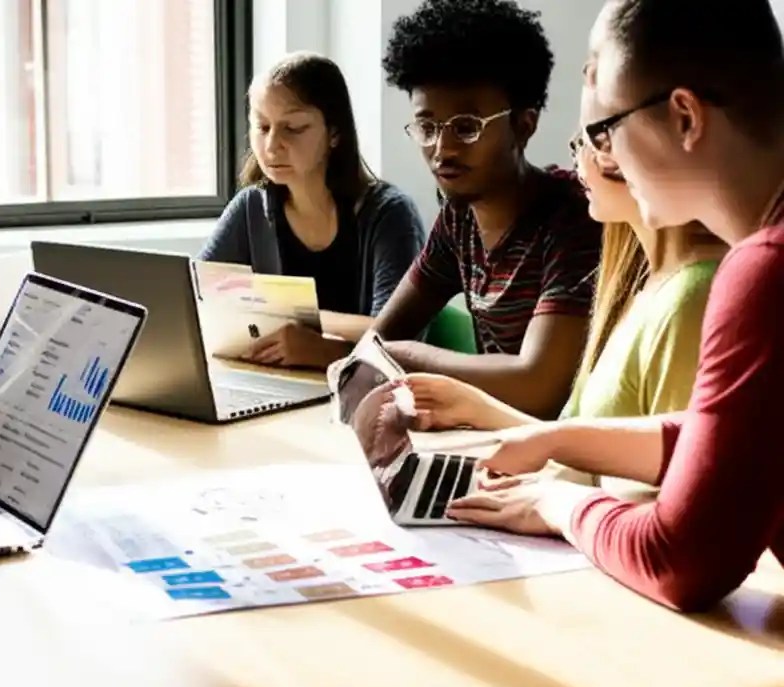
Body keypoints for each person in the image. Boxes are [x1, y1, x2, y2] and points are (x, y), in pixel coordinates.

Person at [448, 0, 784, 612]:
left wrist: (557, 502)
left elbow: (680, 561)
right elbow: (735, 438)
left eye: (603, 131)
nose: (602, 160)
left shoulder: (764, 270)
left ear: (685, 117)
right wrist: (559, 438)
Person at [406, 87, 725, 458]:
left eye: (596, 137)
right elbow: (583, 448)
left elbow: (666, 480)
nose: (579, 159)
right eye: (579, 141)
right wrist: (472, 407)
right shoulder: (641, 288)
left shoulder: (689, 297)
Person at [373, 0, 603, 419]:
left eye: (466, 127)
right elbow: (379, 339)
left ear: (524, 125)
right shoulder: (458, 220)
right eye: (427, 127)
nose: (442, 149)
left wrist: (409, 357)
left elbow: (539, 387)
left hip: (566, 450)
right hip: (491, 439)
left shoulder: (573, 218)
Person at [197, 51, 425, 370]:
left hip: (362, 391)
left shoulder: (390, 214)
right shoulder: (250, 208)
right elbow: (198, 302)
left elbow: (397, 335)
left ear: (335, 133)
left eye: (293, 128)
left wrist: (316, 342)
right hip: (271, 384)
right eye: (262, 126)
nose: (272, 145)